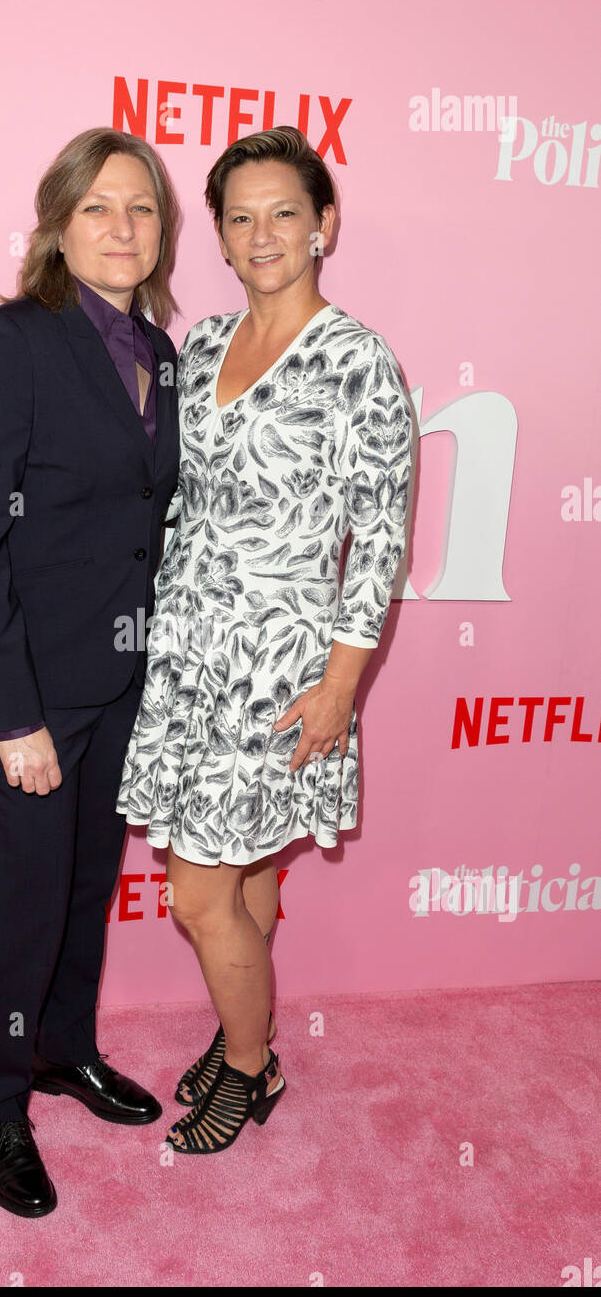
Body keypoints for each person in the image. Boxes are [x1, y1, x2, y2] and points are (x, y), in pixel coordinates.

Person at [116, 125, 414, 1154]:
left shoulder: (357, 361)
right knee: (237, 879)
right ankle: (243, 1032)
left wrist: (340, 687)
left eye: (284, 211)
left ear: (323, 223)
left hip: (282, 667)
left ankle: (252, 1067)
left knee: (196, 892)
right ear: (220, 238)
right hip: (193, 652)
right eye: (238, 218)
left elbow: (375, 540)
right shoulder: (198, 345)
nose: (261, 234)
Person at [0, 128, 182, 1215]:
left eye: (140, 209)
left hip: (121, 682)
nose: (122, 228)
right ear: (57, 223)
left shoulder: (162, 358)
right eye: (98, 208)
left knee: (86, 886)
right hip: (29, 691)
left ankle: (62, 1048)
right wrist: (11, 714)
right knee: (23, 897)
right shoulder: (8, 343)